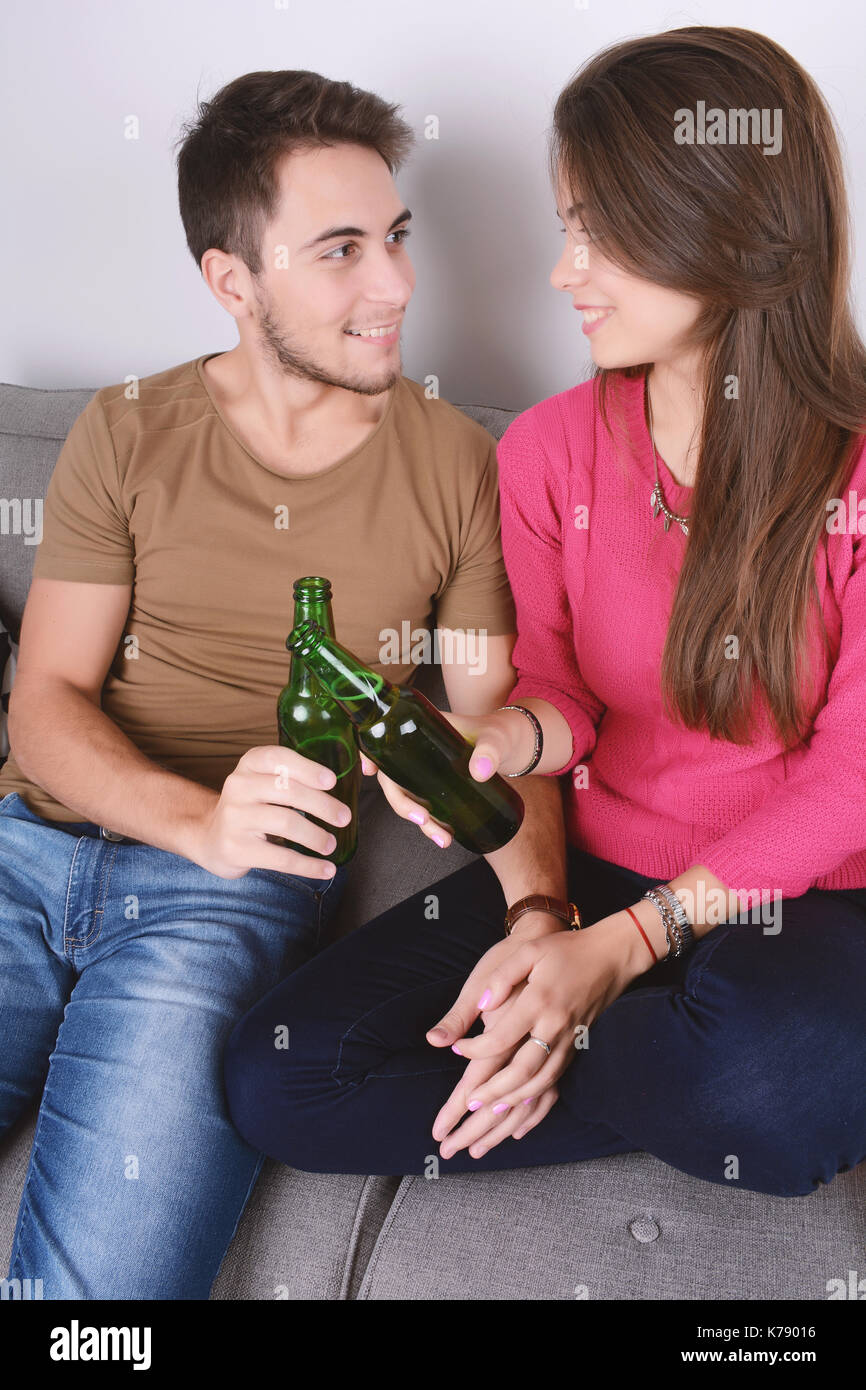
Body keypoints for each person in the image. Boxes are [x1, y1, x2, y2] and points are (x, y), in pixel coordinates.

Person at [224, 28, 866, 1200]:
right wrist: (506, 767)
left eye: (598, 230)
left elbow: (849, 777)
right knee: (282, 1080)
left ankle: (638, 1047)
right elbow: (560, 695)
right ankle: (639, 1056)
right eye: (565, 227)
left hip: (807, 898)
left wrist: (615, 955)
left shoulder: (855, 472)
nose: (564, 271)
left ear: (726, 225)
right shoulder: (546, 452)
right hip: (601, 862)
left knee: (778, 1074)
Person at [0, 69, 565, 1298]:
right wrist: (194, 817)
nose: (399, 285)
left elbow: (497, 736)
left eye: (398, 238)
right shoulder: (128, 428)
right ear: (232, 281)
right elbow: (41, 705)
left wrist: (539, 922)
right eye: (343, 250)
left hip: (226, 906)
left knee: (101, 1312)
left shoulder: (460, 464)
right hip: (27, 856)